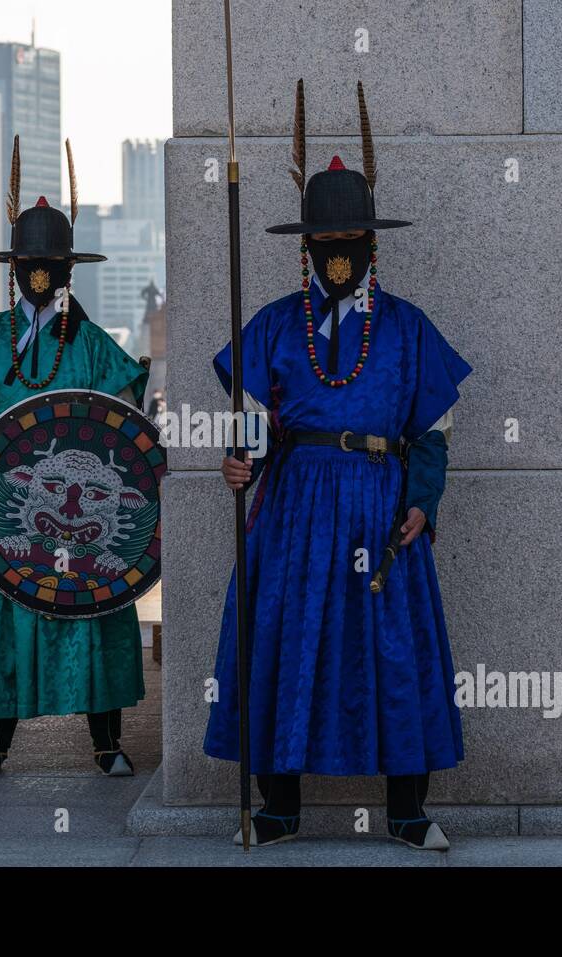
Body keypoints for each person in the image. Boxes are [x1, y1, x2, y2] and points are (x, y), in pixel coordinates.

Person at [202, 81, 472, 850]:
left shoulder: (410, 329)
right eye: (327, 244)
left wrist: (424, 498)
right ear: (308, 249)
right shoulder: (276, 325)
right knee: (284, 636)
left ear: (371, 244)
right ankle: (278, 806)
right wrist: (238, 462)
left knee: (393, 647)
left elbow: (434, 432)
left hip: (385, 509)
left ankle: (409, 812)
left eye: (352, 241)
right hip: (293, 508)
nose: (339, 255)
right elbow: (251, 423)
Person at [0, 136, 150, 776]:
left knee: (92, 613)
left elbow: (126, 428)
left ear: (67, 269)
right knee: (0, 614)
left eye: (51, 262)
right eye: (31, 261)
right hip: (10, 510)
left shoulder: (92, 344)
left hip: (87, 515)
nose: (40, 272)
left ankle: (106, 743)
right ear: (15, 265)